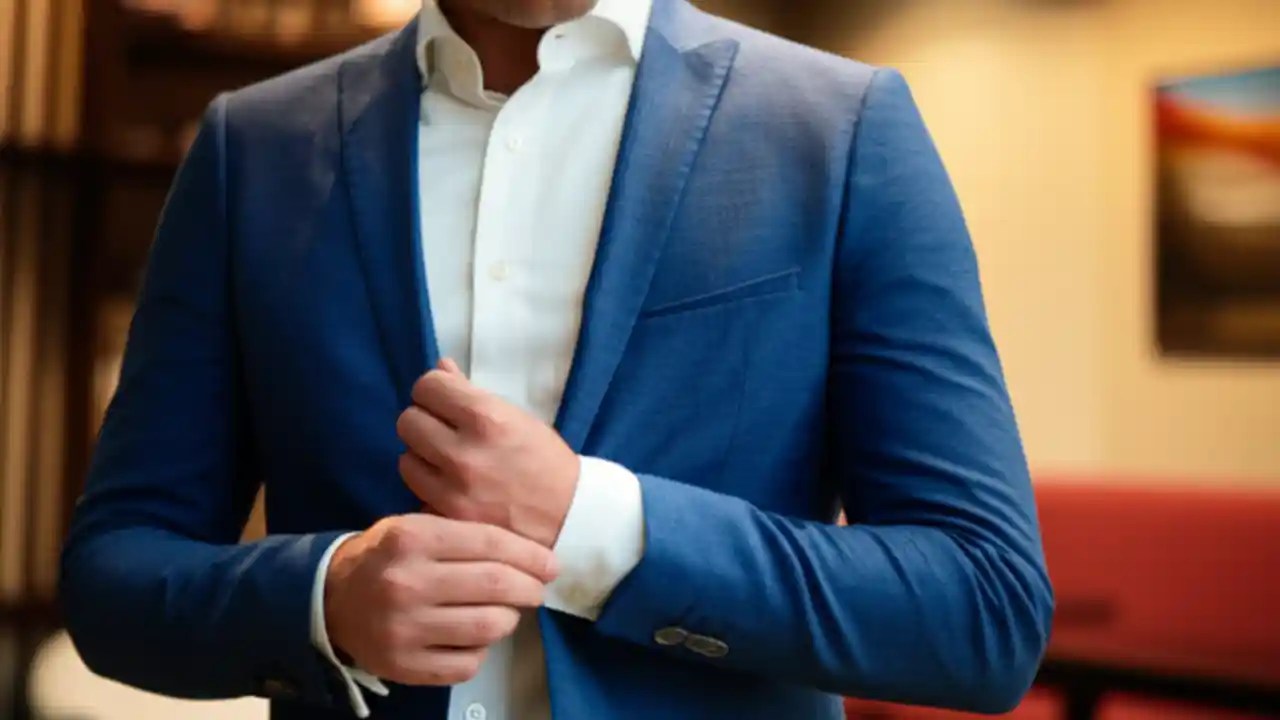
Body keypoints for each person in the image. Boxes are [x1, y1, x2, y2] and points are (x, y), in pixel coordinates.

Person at [59, 1, 1054, 719]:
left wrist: (590, 523)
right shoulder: (254, 150)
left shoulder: (838, 131)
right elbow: (114, 578)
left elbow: (982, 608)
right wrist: (322, 598)